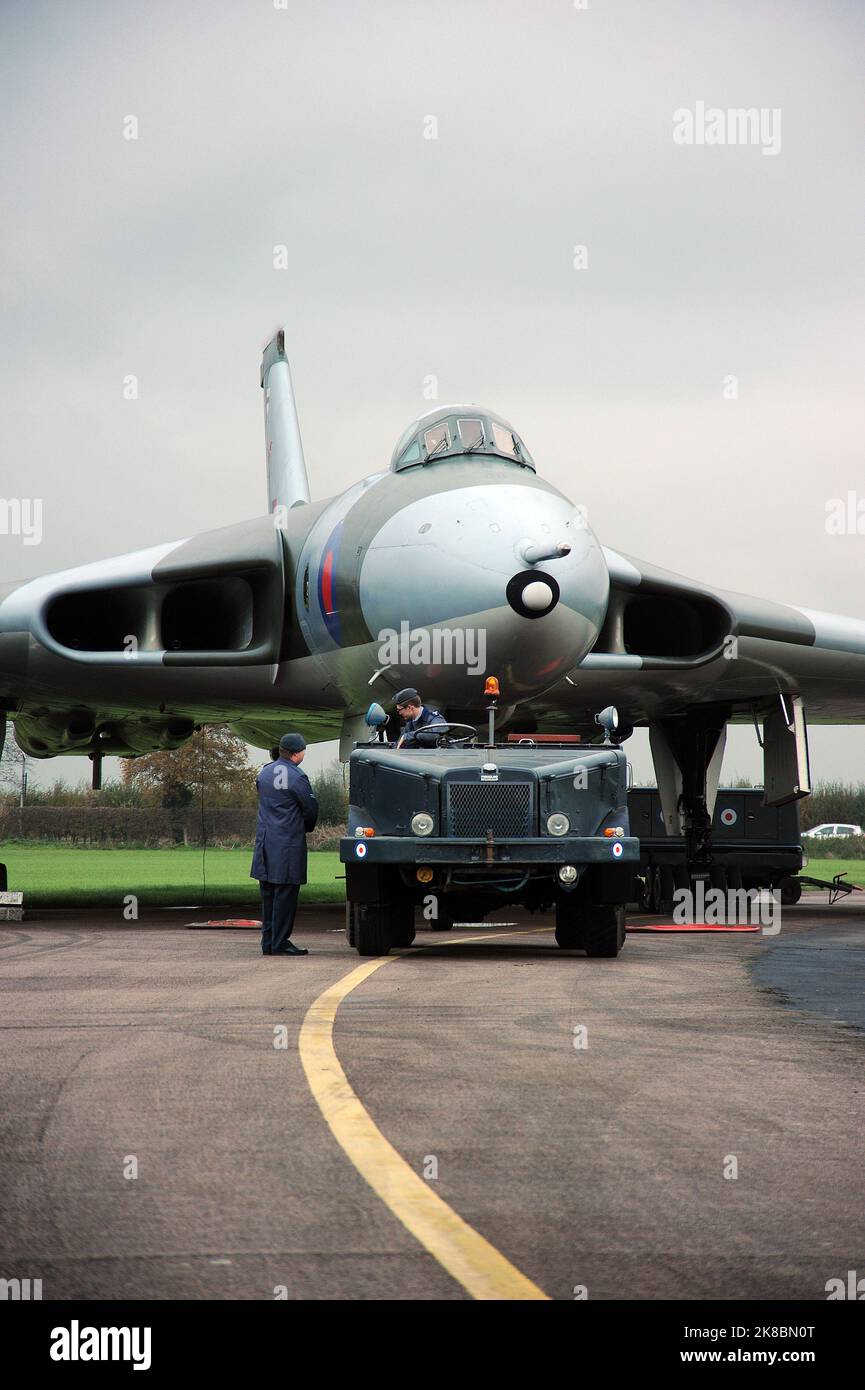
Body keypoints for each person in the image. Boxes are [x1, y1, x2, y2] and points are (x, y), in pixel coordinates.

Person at [250, 733, 318, 956]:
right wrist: (305, 827)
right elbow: (310, 809)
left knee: (268, 894)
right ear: (297, 753)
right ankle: (281, 942)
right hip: (288, 843)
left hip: (265, 843)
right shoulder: (298, 776)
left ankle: (268, 942)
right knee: (286, 895)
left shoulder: (265, 772)